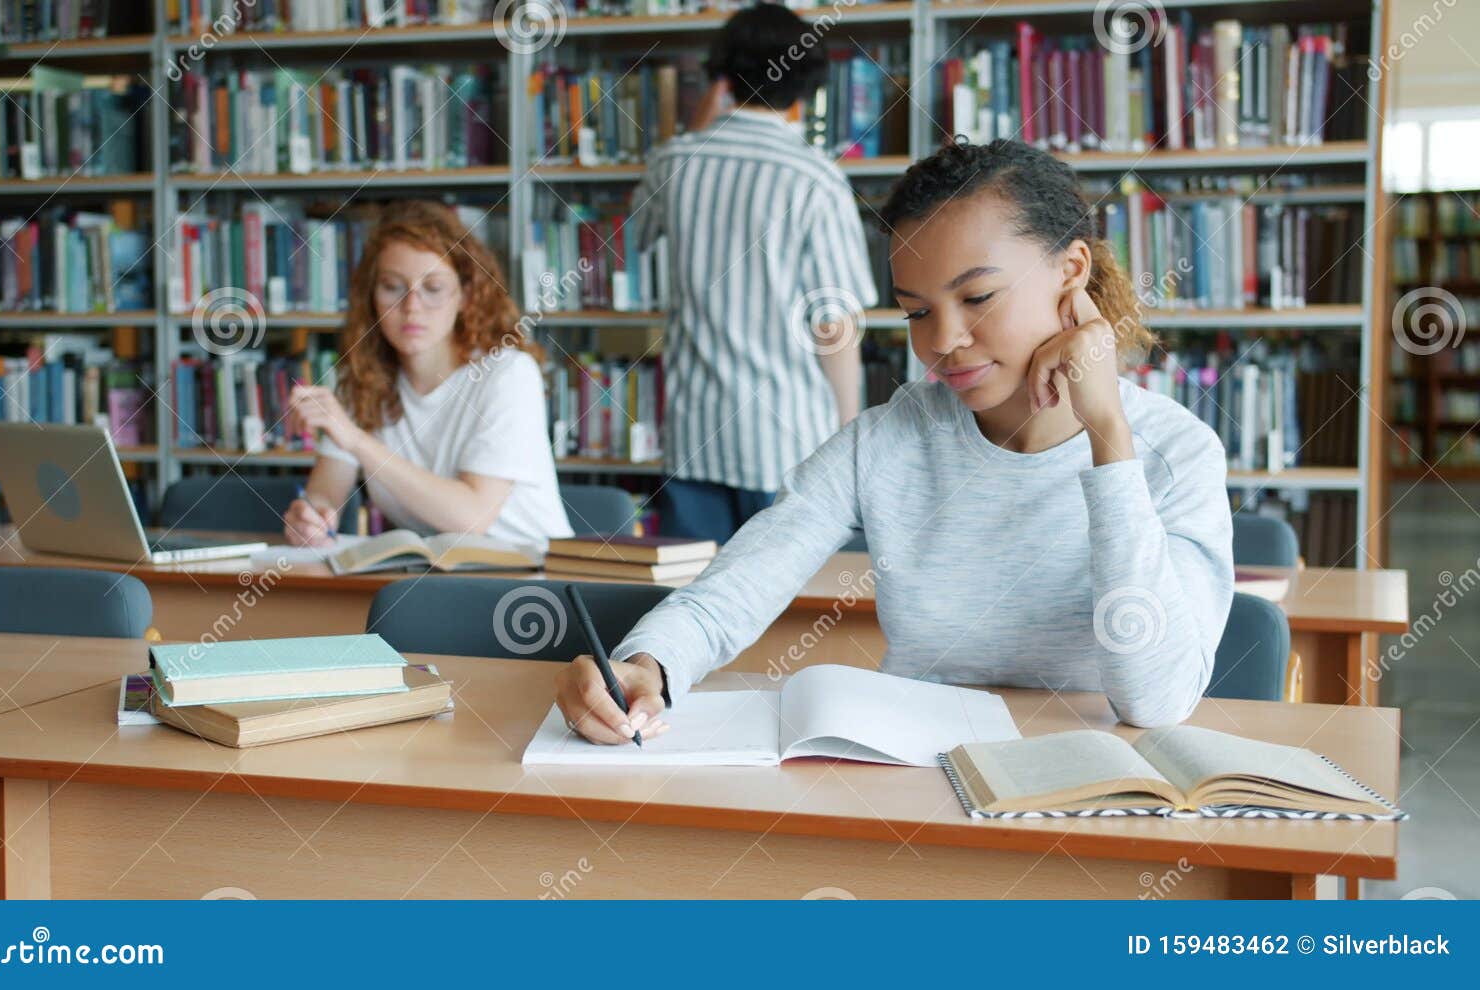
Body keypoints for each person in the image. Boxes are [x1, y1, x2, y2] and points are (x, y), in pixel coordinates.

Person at [555, 137, 1236, 744]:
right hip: (916, 785)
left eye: (978, 298)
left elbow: (1155, 701)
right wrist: (646, 665)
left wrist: (1109, 436)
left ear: (1072, 269)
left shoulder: (1176, 454)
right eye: (916, 311)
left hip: (1088, 799)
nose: (943, 340)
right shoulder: (889, 440)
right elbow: (738, 586)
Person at [629, 2, 878, 544]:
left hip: (695, 436)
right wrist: (848, 435)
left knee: (693, 588)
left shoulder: (674, 162)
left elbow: (635, 239)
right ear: (808, 84)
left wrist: (699, 121)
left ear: (722, 75)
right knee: (790, 594)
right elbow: (833, 322)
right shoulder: (815, 178)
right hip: (788, 444)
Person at [285, 202, 573, 550]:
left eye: (433, 288)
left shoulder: (509, 374)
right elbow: (325, 493)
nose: (411, 307)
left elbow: (471, 518)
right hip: (432, 573)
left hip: (532, 573)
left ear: (465, 295)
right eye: (393, 286)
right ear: (371, 296)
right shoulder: (361, 379)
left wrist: (357, 440)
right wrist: (311, 517)